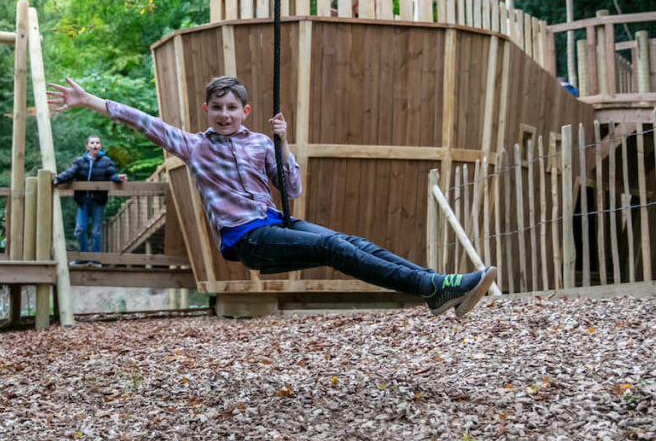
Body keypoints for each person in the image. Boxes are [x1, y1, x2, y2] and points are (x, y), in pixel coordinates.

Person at [48, 75, 497, 317]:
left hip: (277, 222)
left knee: (352, 243)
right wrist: (91, 102)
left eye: (232, 108)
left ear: (245, 111)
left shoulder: (261, 143)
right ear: (207, 110)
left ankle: (438, 287)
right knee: (331, 247)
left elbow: (293, 189)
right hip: (247, 239)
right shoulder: (194, 145)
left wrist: (283, 143)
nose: (224, 115)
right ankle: (432, 288)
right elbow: (143, 121)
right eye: (217, 108)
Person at [55, 135, 127, 262]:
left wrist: (118, 178)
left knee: (96, 231)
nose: (95, 145)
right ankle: (83, 257)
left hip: (98, 200)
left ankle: (95, 259)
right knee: (80, 229)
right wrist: (57, 179)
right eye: (92, 143)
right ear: (87, 147)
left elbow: (112, 174)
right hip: (83, 200)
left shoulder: (106, 161)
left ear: (100, 146)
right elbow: (70, 174)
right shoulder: (80, 161)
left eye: (97, 143)